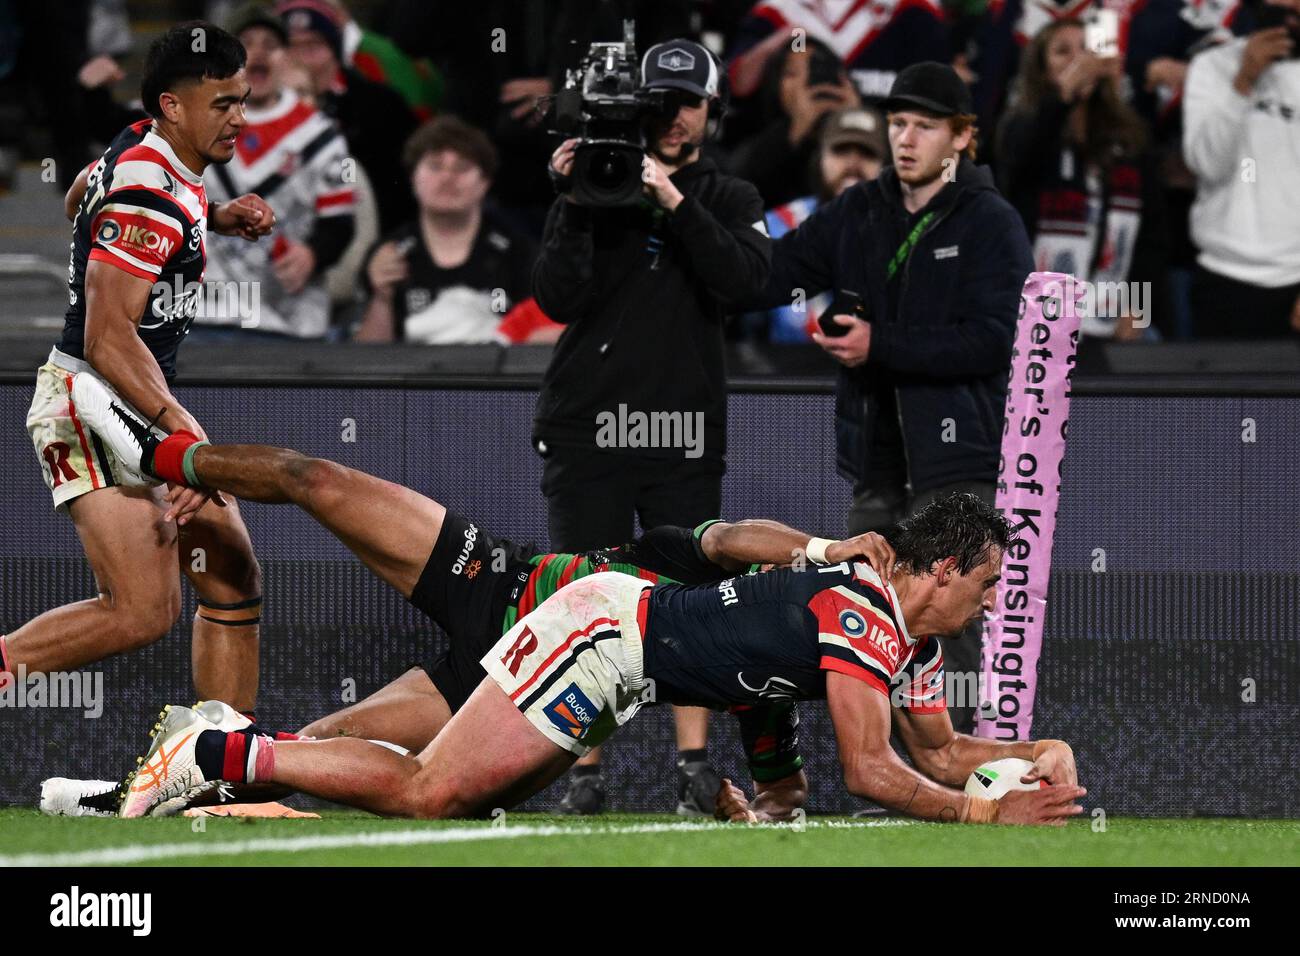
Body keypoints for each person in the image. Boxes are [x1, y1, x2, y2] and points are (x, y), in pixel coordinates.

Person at [65, 373, 896, 821]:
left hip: (514, 684)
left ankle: (125, 792)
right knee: (314, 477)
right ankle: (160, 457)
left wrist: (756, 812)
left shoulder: (756, 662)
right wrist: (822, 548)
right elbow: (735, 533)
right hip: (492, 578)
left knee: (315, 751)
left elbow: (782, 782)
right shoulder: (706, 562)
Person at [120, 492, 1086, 827]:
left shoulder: (906, 634)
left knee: (462, 800)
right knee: (428, 793)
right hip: (598, 631)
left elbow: (941, 747)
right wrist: (980, 811)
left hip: (620, 660)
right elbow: (877, 772)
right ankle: (214, 758)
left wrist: (1036, 752)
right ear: (946, 569)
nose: (994, 603)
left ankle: (225, 761)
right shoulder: (864, 609)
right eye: (990, 584)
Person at [740, 61, 1033, 735]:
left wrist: (882, 345)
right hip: (876, 460)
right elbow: (769, 273)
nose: (905, 139)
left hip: (958, 459)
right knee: (874, 618)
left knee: (948, 619)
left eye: (924, 127)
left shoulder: (991, 221)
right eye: (897, 124)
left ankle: (953, 770)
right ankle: (886, 774)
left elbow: (995, 341)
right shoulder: (860, 209)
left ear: (962, 137)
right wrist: (689, 214)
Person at [2, 23, 272, 716]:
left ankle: (219, 773)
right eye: (223, 104)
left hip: (120, 398)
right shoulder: (149, 193)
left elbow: (79, 201)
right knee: (141, 612)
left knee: (232, 575)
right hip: (93, 401)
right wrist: (185, 438)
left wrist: (209, 215)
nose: (239, 117)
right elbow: (108, 337)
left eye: (242, 100)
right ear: (174, 106)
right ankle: (218, 770)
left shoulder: (140, 145)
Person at [532, 38, 772, 814]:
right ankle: (583, 773)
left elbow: (747, 281)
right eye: (661, 104)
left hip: (681, 429)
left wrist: (672, 197)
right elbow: (556, 297)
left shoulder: (729, 197)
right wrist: (573, 197)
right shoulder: (598, 183)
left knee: (693, 596)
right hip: (588, 423)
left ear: (713, 111)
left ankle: (696, 771)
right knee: (583, 595)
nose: (674, 118)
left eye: (689, 102)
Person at [997, 18, 1166, 343]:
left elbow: (1152, 237)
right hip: (1036, 332)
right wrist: (1064, 94)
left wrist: (1138, 309)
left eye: (1086, 52)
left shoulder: (1130, 139)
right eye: (1063, 52)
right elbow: (1017, 166)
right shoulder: (1020, 130)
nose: (1079, 62)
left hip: (1110, 327)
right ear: (1042, 70)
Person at [196, 3, 356, 342]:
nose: (258, 53)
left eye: (271, 45)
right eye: (246, 44)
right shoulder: (190, 123)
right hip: (203, 316)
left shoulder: (321, 135)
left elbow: (340, 222)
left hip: (287, 321)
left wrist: (312, 254)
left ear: (287, 58)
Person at [354, 116, 536, 344]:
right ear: (413, 177)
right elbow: (365, 359)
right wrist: (382, 297)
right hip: (409, 377)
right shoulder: (388, 254)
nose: (447, 178)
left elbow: (542, 341)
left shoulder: (517, 252)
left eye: (462, 168)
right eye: (435, 166)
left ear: (485, 182)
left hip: (494, 376)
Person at [1183, 0, 1300, 338]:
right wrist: (1244, 82)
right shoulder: (1212, 65)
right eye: (1279, 15)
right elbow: (1207, 163)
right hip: (1225, 276)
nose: (1289, 24)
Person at [746, 105, 888, 343]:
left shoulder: (907, 234)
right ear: (819, 159)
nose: (853, 163)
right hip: (784, 374)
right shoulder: (776, 226)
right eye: (841, 150)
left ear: (885, 167)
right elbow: (745, 332)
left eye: (867, 153)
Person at [278, 0, 416, 233]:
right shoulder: (250, 109)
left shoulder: (381, 105)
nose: (301, 59)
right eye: (290, 48)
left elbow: (404, 190)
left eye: (313, 46)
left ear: (335, 48)